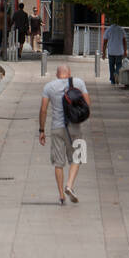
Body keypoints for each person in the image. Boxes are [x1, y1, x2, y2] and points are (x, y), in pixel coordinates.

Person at [39, 65, 90, 205]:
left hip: (56, 128)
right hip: (74, 127)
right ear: (69, 73)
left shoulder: (49, 87)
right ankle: (69, 185)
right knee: (78, 156)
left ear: (57, 74)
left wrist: (41, 130)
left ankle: (61, 195)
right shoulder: (78, 83)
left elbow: (43, 110)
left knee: (58, 163)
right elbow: (87, 104)